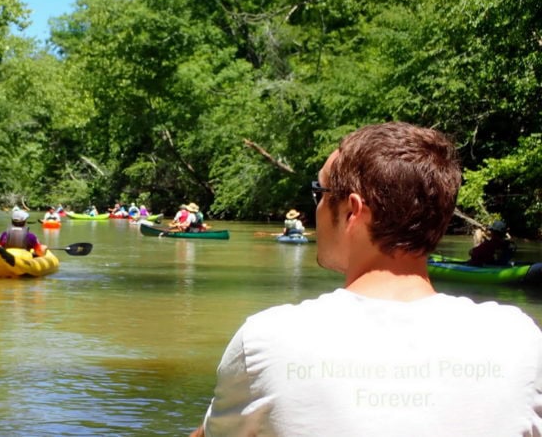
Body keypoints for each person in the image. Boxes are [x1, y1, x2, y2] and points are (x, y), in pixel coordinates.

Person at [190, 122, 542, 437]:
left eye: (319, 192)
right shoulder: (521, 339)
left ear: (352, 211)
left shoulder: (265, 339)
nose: (315, 206)